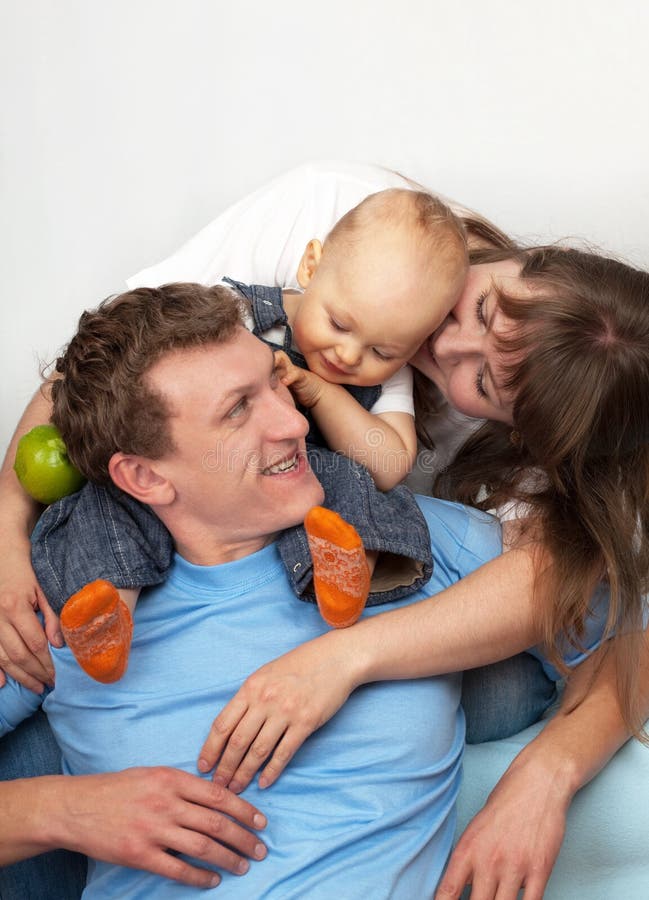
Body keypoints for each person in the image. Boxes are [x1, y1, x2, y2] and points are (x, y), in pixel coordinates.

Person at [1, 161, 648, 898]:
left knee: (502, 683)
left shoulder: (415, 541)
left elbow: (622, 615)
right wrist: (60, 812)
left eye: (283, 385)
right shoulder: (73, 588)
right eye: (243, 405)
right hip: (107, 626)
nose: (296, 423)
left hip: (377, 595)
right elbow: (93, 385)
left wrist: (545, 774)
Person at [32, 186, 467, 684]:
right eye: (339, 323)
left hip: (305, 480)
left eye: (384, 352)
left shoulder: (384, 379)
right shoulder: (235, 312)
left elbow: (388, 465)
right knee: (107, 505)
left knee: (351, 487)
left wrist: (321, 392)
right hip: (204, 483)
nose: (349, 356)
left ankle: (347, 574)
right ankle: (111, 608)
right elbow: (131, 374)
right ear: (310, 266)